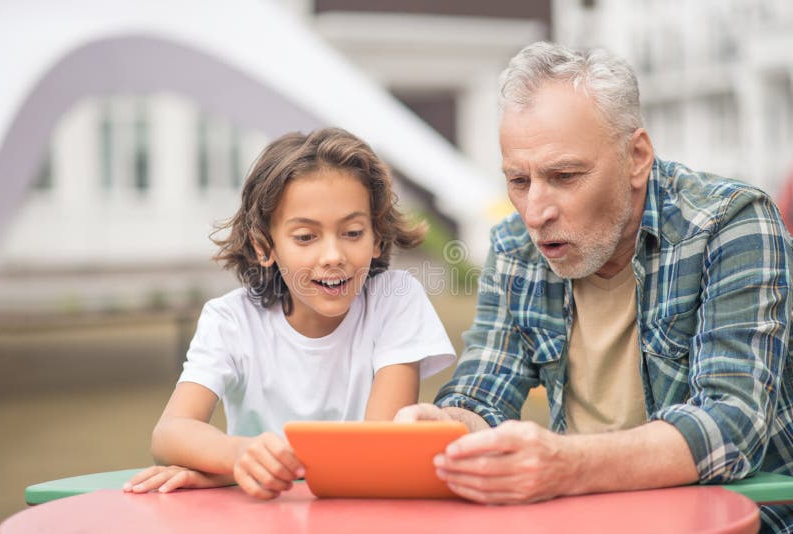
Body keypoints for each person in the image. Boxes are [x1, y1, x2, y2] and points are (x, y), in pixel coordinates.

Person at [395, 42, 793, 532]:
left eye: (564, 176)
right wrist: (450, 425)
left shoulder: (732, 224)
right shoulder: (515, 248)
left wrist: (567, 464)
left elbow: (731, 425)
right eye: (518, 181)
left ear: (636, 157)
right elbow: (483, 393)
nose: (535, 213)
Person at [124, 127, 455, 500]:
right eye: (305, 237)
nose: (333, 256)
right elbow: (169, 434)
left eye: (352, 232)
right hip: (265, 517)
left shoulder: (396, 301)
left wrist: (222, 475)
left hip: (362, 514)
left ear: (377, 237)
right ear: (264, 246)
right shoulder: (230, 320)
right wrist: (238, 456)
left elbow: (378, 448)